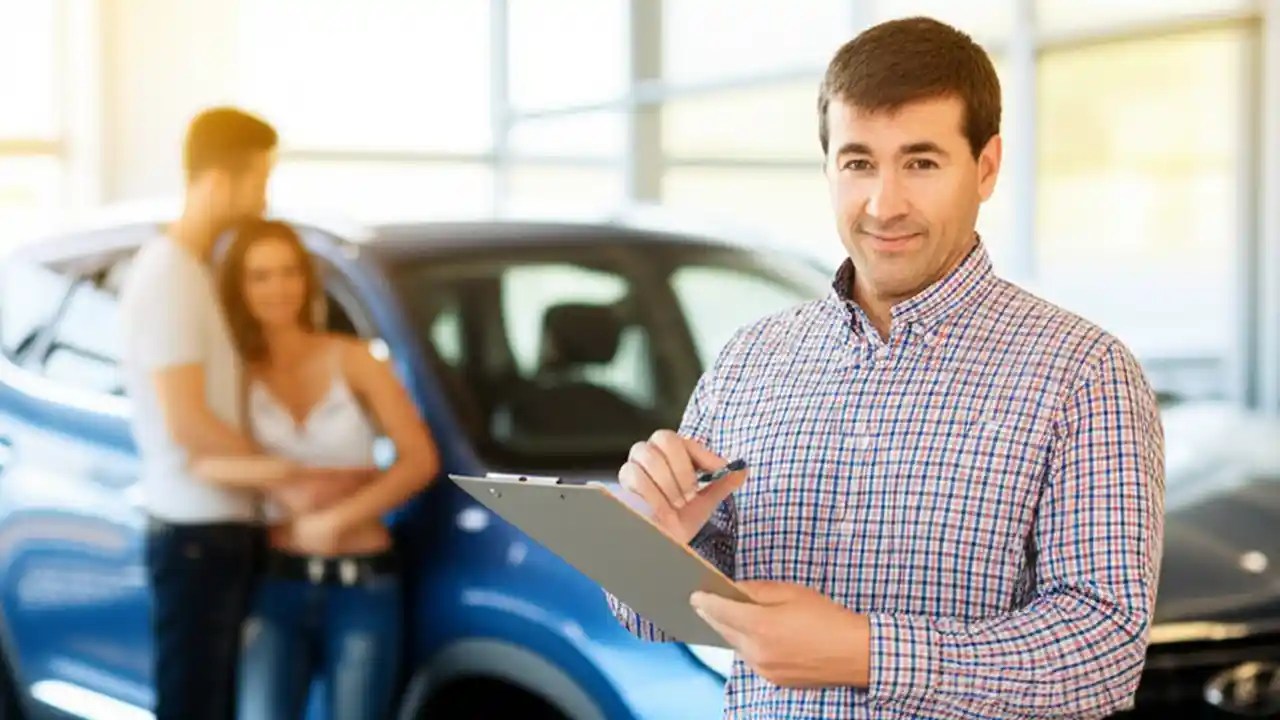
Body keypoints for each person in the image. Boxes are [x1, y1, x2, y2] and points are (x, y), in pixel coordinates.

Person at [607, 17, 1165, 720]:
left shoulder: (1085, 375)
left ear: (986, 167)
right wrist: (649, 544)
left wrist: (865, 652)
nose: (884, 204)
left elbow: (1103, 655)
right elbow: (655, 618)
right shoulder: (747, 362)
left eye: (922, 163)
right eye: (859, 162)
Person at [190, 219, 439, 720]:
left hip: (363, 586)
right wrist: (285, 474)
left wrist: (337, 518)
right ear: (239, 288)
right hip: (277, 583)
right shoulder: (237, 373)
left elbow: (419, 459)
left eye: (288, 272)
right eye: (260, 276)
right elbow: (202, 460)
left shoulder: (355, 360)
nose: (277, 288)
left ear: (307, 281)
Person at [119, 107, 287, 720]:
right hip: (196, 537)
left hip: (213, 534)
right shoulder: (167, 276)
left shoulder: (191, 271)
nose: (263, 199)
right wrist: (294, 475)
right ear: (220, 180)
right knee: (193, 705)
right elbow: (189, 425)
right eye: (259, 180)